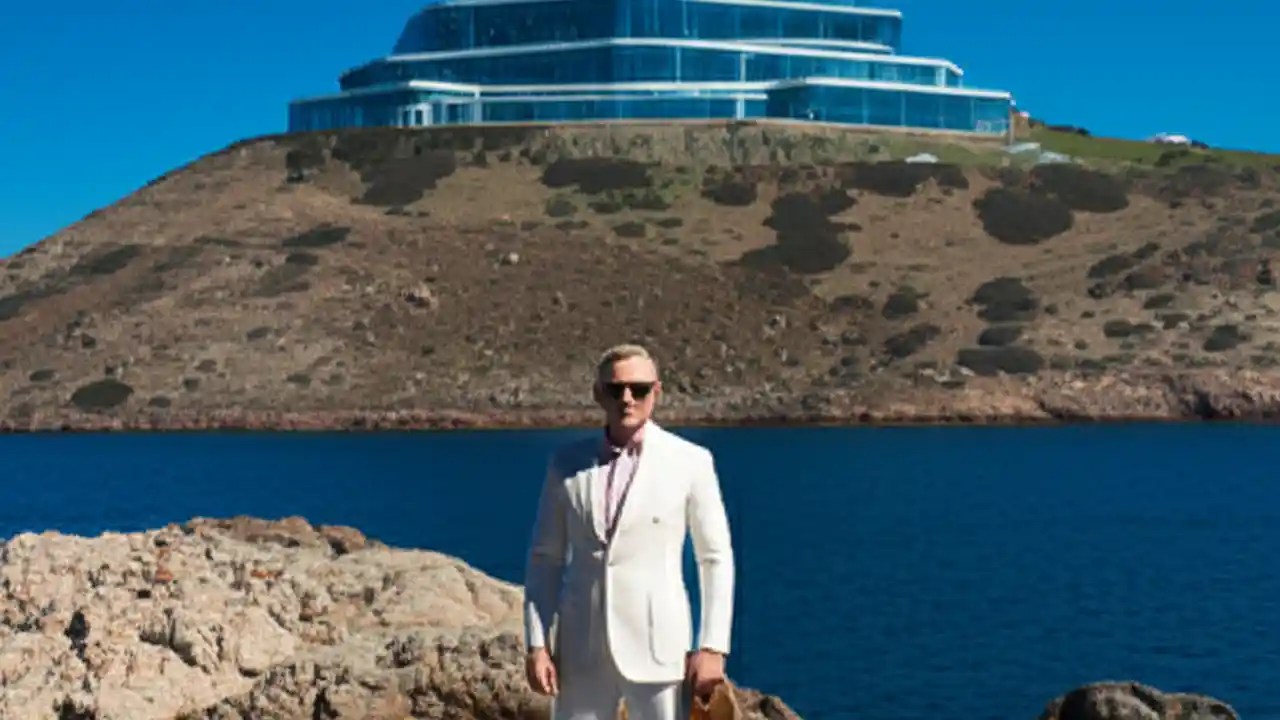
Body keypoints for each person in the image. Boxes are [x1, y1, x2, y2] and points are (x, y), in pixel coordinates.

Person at [523, 343, 736, 720]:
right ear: (597, 394)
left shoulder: (690, 462)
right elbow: (546, 558)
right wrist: (537, 644)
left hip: (659, 646)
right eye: (615, 389)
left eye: (638, 389)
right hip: (580, 649)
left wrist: (713, 646)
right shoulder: (566, 464)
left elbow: (714, 558)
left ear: (656, 391)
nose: (627, 398)